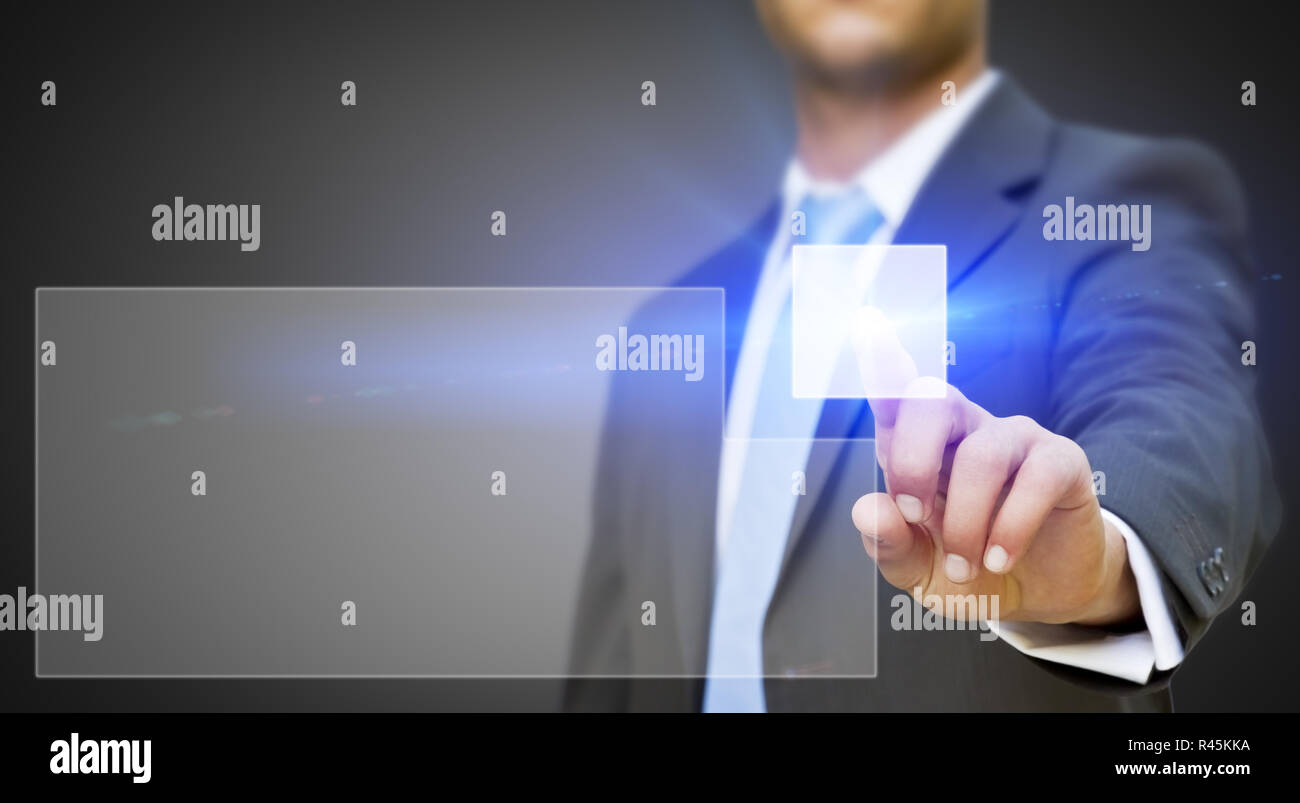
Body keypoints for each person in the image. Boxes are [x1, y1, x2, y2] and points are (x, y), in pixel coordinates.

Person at [565, 0, 1280, 712]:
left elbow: (1182, 408)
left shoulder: (1126, 203)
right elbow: (611, 676)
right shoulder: (666, 325)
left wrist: (1103, 563)